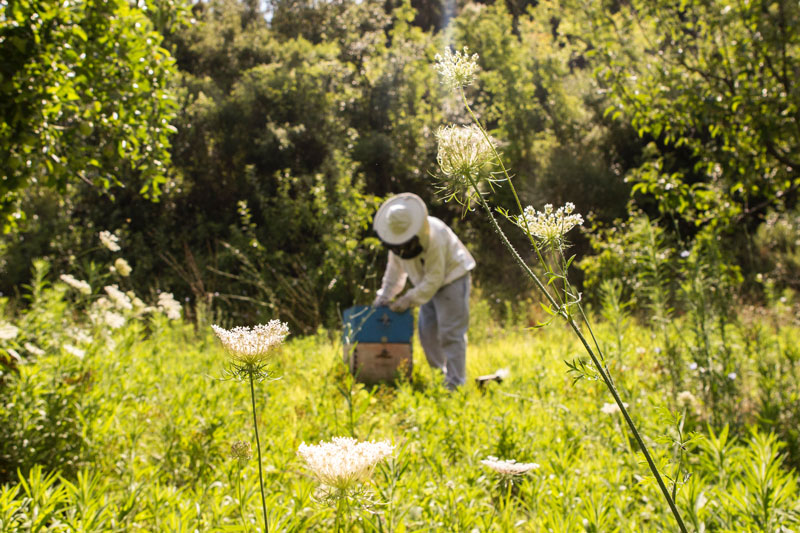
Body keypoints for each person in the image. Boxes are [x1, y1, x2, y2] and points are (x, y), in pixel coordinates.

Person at [372, 193, 475, 389]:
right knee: (427, 334)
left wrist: (408, 300)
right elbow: (394, 275)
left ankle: (455, 385)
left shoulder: (435, 234)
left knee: (450, 333)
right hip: (424, 286)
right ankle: (439, 378)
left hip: (452, 279)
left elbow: (435, 278)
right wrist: (384, 297)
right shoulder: (396, 242)